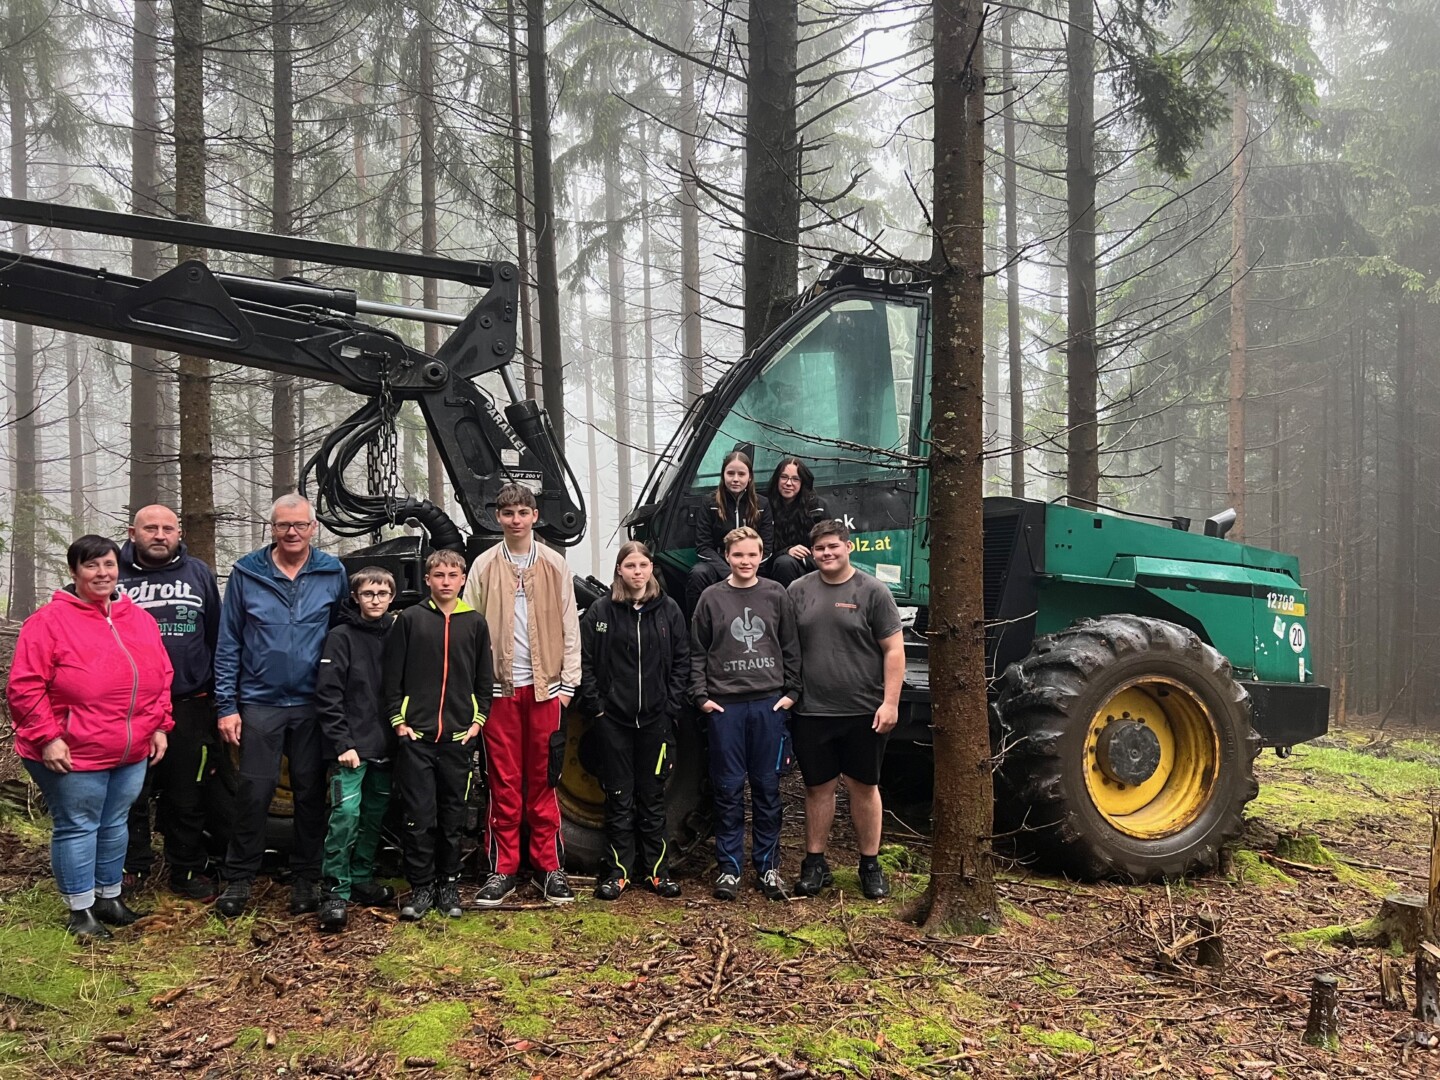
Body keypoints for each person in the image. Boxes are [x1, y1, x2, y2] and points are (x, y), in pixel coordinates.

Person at [6, 536, 173, 938]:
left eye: (109, 565)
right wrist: (47, 737)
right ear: (74, 572)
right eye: (92, 566)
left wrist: (160, 726)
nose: (102, 574)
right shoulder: (48, 622)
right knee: (79, 824)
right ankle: (80, 910)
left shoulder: (138, 618)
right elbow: (25, 687)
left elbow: (161, 675)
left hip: (129, 746)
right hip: (71, 749)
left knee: (115, 822)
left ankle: (108, 896)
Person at [212, 494, 349, 919]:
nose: (292, 532)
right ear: (272, 528)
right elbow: (228, 641)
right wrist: (225, 705)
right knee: (255, 790)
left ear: (313, 528)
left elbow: (344, 636)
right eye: (283, 525)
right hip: (260, 701)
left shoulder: (332, 571)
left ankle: (307, 877)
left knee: (311, 791)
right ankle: (239, 878)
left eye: (300, 525)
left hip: (313, 703)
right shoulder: (247, 573)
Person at [464, 482, 582, 906]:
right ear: (498, 517)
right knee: (503, 782)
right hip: (498, 691)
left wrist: (567, 686)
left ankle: (550, 868)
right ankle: (503, 869)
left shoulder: (553, 564)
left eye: (523, 512)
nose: (515, 519)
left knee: (544, 780)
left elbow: (571, 625)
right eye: (508, 512)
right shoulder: (482, 566)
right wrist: (476, 688)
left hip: (546, 689)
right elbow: (469, 627)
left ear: (535, 516)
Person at [787, 519, 904, 900]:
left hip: (863, 711)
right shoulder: (797, 591)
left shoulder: (873, 591)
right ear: (812, 551)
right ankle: (815, 864)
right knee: (817, 788)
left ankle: (870, 865)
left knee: (864, 787)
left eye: (834, 546)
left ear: (848, 547)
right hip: (811, 711)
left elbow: (894, 650)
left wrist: (890, 703)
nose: (827, 553)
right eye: (820, 548)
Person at [118, 503, 230, 901]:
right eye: (151, 528)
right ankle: (130, 867)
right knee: (130, 793)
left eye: (168, 528)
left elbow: (217, 635)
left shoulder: (198, 572)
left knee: (189, 790)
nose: (160, 535)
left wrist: (222, 696)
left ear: (179, 533)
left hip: (190, 701)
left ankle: (185, 867)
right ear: (133, 533)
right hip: (127, 706)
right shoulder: (112, 571)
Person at [689, 525, 801, 902]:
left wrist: (792, 692)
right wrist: (701, 696)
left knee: (768, 789)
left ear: (762, 555)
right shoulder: (710, 598)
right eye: (738, 555)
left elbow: (791, 645)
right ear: (727, 557)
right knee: (728, 789)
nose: (746, 562)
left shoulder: (776, 594)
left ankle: (768, 868)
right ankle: (729, 868)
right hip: (726, 707)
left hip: (768, 705)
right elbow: (698, 650)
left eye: (752, 555)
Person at [384, 551, 493, 921]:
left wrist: (476, 722)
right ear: (427, 579)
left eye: (452, 574)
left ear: (463, 579)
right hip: (416, 739)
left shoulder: (475, 623)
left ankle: (448, 884)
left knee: (452, 817)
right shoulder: (410, 620)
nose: (445, 581)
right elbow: (392, 678)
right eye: (438, 575)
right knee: (419, 818)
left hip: (458, 739)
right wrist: (400, 722)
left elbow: (484, 680)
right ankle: (422, 887)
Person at [579, 542, 690, 901]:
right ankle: (618, 873)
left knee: (652, 796)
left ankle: (658, 872)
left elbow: (682, 661)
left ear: (651, 568)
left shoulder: (668, 610)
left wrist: (671, 706)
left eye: (643, 564)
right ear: (619, 570)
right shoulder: (601, 610)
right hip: (613, 721)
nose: (637, 571)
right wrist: (597, 707)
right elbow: (586, 663)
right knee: (618, 797)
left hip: (656, 720)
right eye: (630, 565)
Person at [314, 567, 400, 931]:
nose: (375, 600)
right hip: (350, 748)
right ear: (356, 598)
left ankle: (363, 877)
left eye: (382, 593)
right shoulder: (341, 637)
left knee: (374, 816)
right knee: (345, 815)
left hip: (387, 744)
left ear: (392, 597)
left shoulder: (399, 633)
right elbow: (328, 694)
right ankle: (335, 889)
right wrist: (342, 743)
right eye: (368, 594)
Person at [685, 451, 775, 614]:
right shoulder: (710, 503)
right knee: (698, 573)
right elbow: (703, 546)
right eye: (730, 473)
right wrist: (728, 572)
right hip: (719, 563)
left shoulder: (763, 504)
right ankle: (695, 626)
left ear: (749, 477)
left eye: (741, 474)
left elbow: (767, 548)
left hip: (753, 564)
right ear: (723, 475)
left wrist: (748, 568)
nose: (735, 479)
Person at [763, 457, 826, 588]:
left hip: (811, 564)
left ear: (803, 482)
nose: (788, 483)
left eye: (795, 479)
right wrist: (787, 551)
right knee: (784, 563)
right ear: (777, 480)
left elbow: (828, 543)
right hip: (775, 565)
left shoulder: (817, 507)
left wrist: (804, 557)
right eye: (784, 477)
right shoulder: (765, 505)